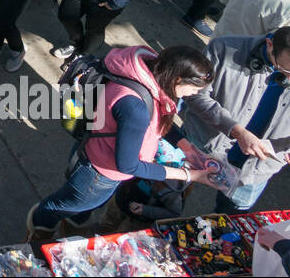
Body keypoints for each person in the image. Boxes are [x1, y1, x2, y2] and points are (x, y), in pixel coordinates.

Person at [27, 45, 215, 239]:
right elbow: (128, 165)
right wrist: (188, 175)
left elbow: (156, 119)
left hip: (92, 144)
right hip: (98, 174)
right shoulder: (135, 108)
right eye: (194, 89)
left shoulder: (146, 69)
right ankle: (38, 234)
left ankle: (73, 226)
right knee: (58, 206)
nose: (194, 94)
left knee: (79, 205)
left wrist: (187, 147)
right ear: (177, 79)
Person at [178, 27, 290, 213]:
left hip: (256, 171)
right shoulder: (223, 48)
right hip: (200, 145)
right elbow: (196, 95)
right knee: (169, 192)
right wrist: (236, 130)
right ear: (270, 45)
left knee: (232, 220)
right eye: (285, 69)